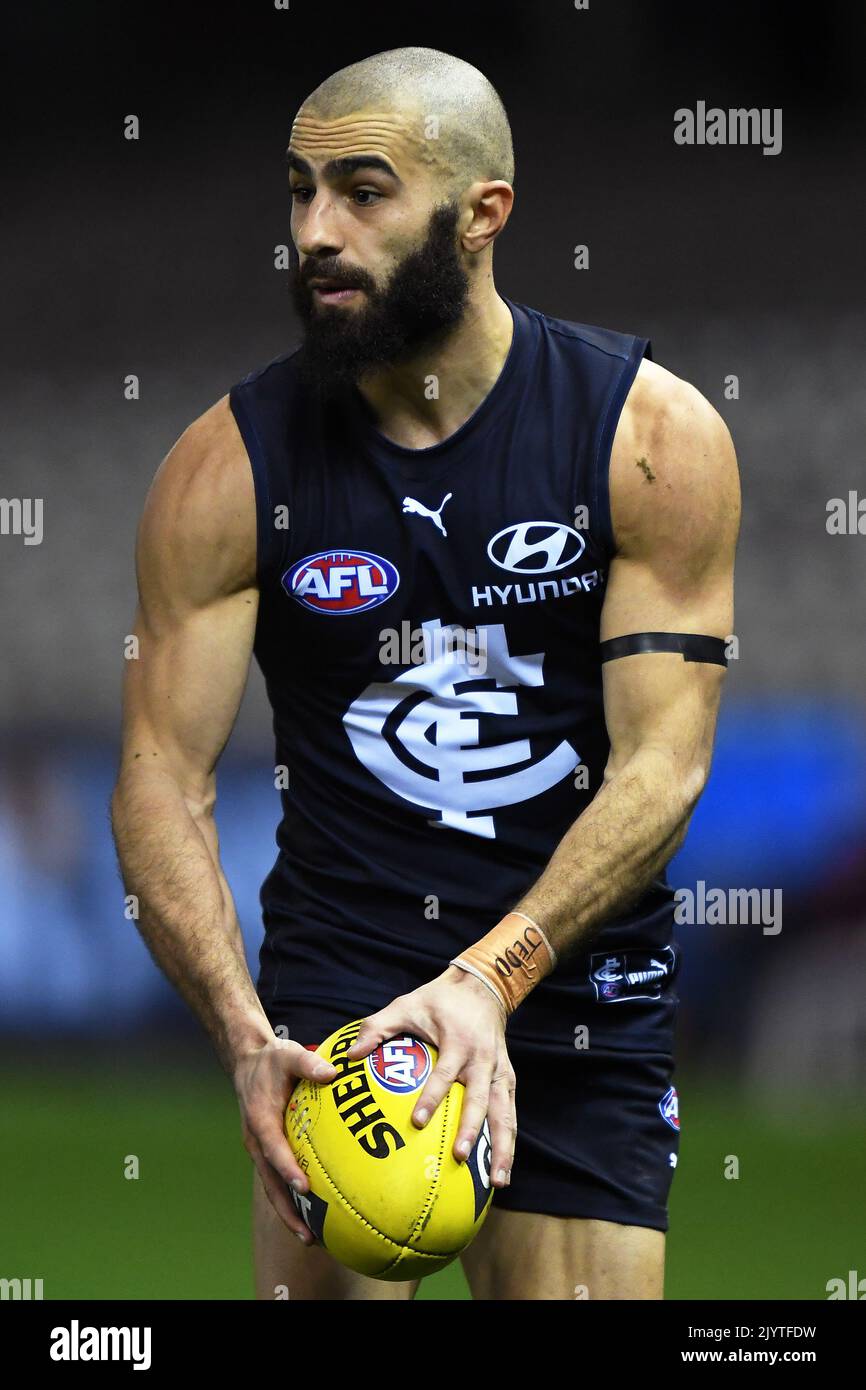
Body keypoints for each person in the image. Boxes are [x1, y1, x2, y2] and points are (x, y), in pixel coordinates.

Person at [111, 46, 740, 1300]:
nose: (315, 232)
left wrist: (489, 976)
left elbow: (663, 765)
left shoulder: (649, 440)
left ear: (481, 213)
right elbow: (157, 777)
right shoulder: (224, 471)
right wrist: (245, 1032)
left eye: (361, 191)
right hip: (335, 1000)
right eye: (298, 192)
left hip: (572, 985)